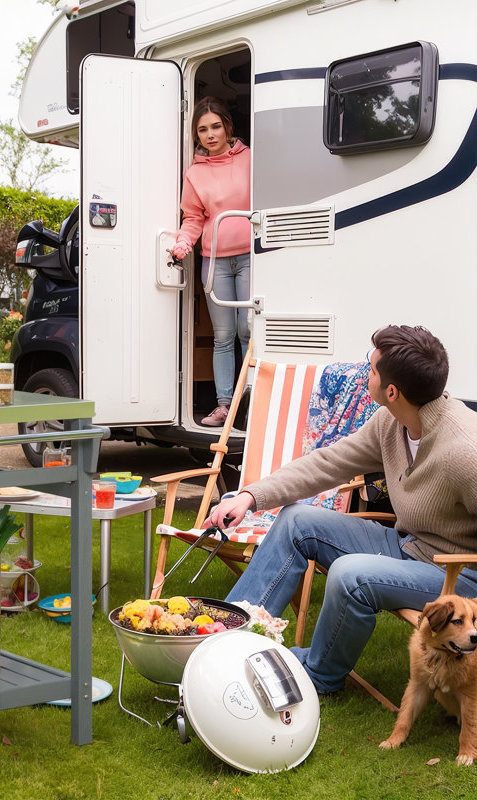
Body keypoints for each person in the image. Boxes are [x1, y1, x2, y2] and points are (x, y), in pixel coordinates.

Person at [206, 325, 477, 694]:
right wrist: (250, 497)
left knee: (353, 574)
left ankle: (319, 676)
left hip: (457, 575)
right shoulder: (391, 422)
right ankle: (225, 637)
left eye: (373, 368)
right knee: (297, 521)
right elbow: (327, 463)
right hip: (410, 547)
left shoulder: (464, 451)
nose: (366, 371)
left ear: (392, 391)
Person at [171, 97, 251, 428]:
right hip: (214, 259)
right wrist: (181, 242)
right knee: (223, 335)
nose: (210, 134)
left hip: (250, 256)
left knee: (249, 331)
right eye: (203, 130)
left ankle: (251, 403)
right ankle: (223, 406)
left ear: (228, 127)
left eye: (216, 126)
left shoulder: (250, 159)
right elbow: (193, 217)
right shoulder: (195, 173)